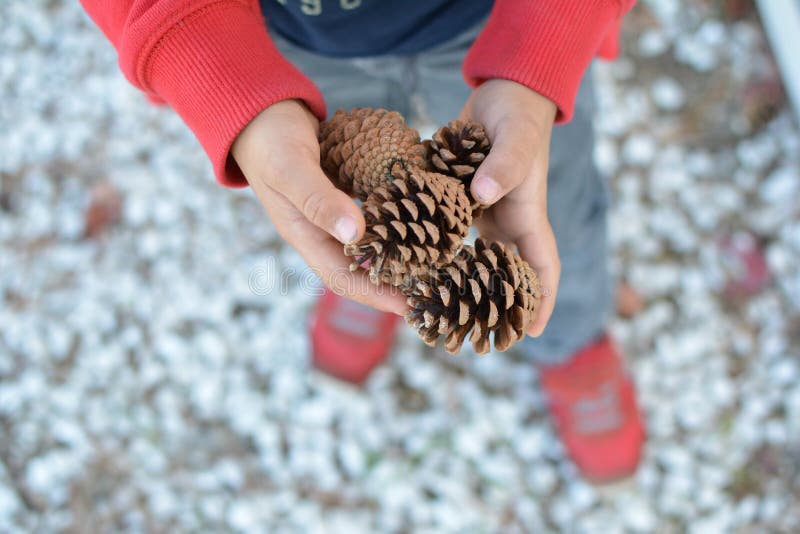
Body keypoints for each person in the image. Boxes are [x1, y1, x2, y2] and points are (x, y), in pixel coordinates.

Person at [80, 0, 644, 483]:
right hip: (294, 43)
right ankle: (379, 273)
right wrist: (218, 72)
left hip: (507, 24)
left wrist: (546, 44)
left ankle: (569, 337)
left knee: (545, 205)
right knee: (333, 188)